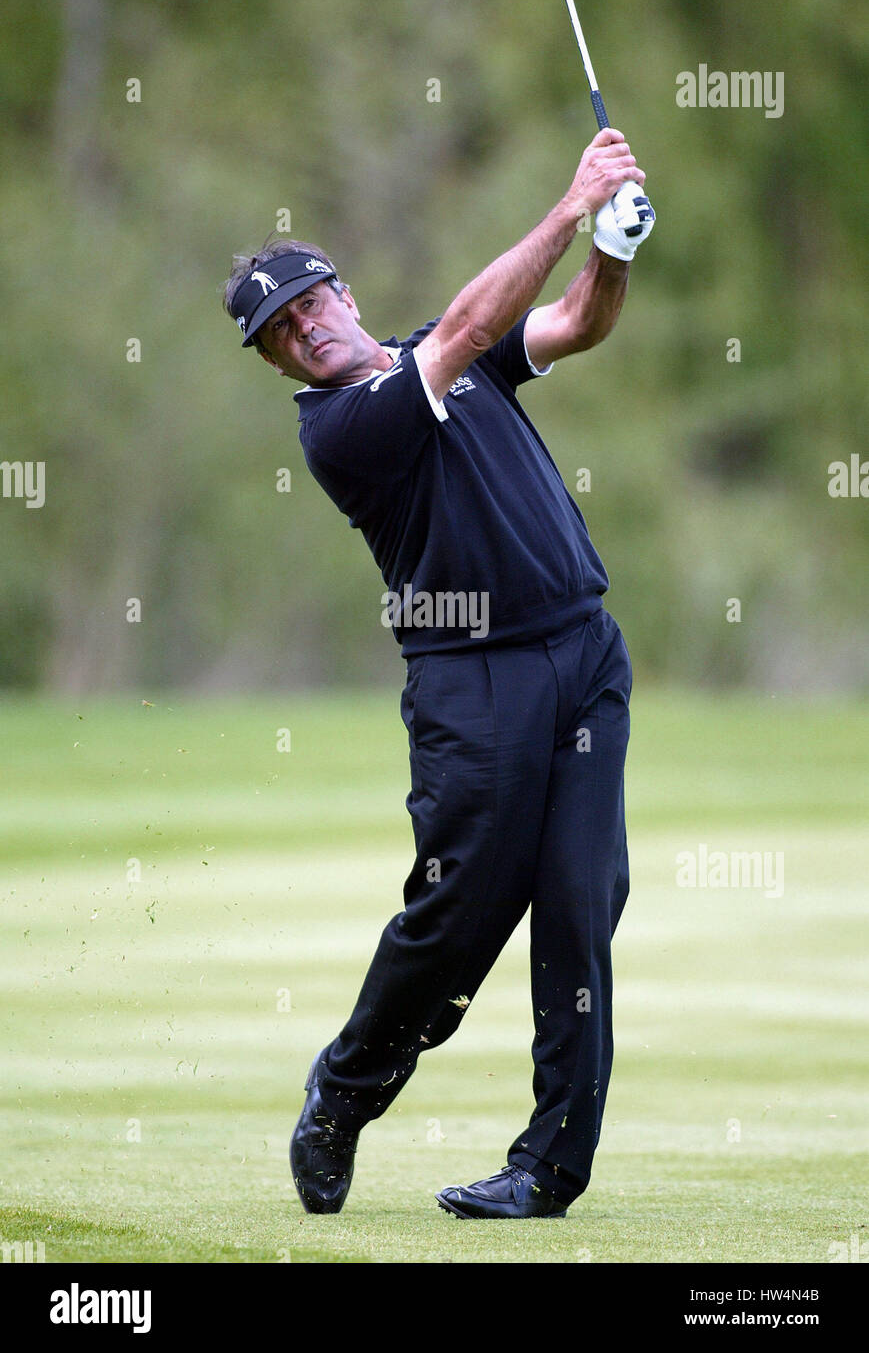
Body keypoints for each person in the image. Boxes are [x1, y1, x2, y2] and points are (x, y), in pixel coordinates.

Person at [223, 127, 655, 1219]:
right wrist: (568, 206)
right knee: (458, 917)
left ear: (344, 292)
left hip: (583, 657)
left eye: (311, 302)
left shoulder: (441, 362)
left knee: (577, 904)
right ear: (274, 361)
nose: (306, 327)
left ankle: (547, 1170)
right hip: (474, 687)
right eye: (281, 331)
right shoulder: (345, 427)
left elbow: (568, 325)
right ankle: (344, 1093)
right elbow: (471, 325)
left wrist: (611, 245)